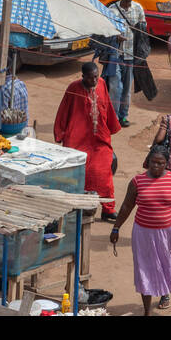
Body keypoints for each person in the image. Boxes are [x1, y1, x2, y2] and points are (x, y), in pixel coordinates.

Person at [109, 145, 171, 315]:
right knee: (145, 269)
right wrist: (116, 228)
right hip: (143, 233)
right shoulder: (137, 181)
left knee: (167, 265)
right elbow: (126, 206)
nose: (156, 166)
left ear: (166, 164)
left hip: (169, 233)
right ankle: (147, 310)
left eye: (160, 163)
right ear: (148, 162)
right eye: (153, 162)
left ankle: (164, 295)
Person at [54, 62, 122, 221]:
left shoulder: (102, 84)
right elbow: (64, 109)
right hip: (77, 139)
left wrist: (112, 124)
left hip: (99, 138)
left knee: (104, 173)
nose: (94, 80)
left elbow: (108, 107)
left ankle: (108, 209)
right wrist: (60, 132)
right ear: (83, 76)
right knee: (78, 174)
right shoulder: (73, 88)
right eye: (91, 78)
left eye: (96, 76)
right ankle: (77, 207)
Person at [105, 0, 146, 128]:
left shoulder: (138, 8)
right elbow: (106, 32)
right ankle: (113, 117)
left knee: (127, 89)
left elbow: (143, 30)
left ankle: (123, 116)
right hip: (115, 55)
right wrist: (115, 37)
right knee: (116, 88)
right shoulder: (112, 10)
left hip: (131, 55)